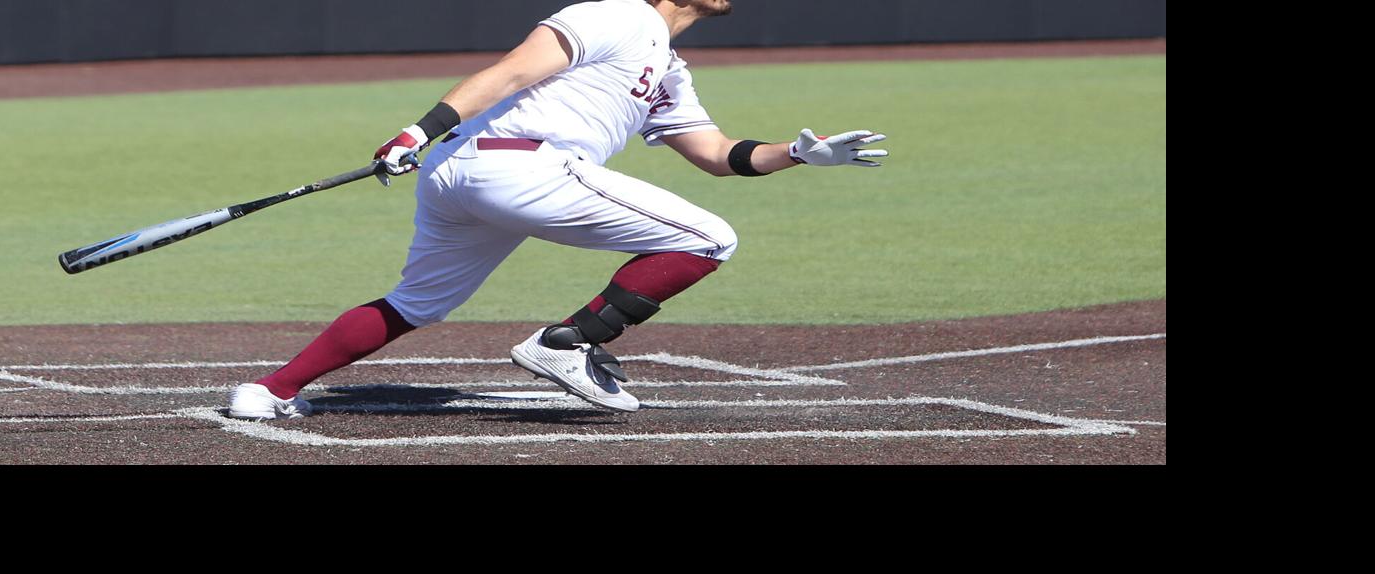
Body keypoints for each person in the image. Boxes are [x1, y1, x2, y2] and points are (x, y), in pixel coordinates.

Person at [228, 0, 887, 418]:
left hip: (462, 174)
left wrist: (798, 154)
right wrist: (416, 130)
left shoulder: (668, 68)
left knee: (416, 303)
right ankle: (566, 343)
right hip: (520, 164)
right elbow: (511, 71)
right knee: (709, 239)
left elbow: (716, 153)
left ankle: (268, 391)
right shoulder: (616, 15)